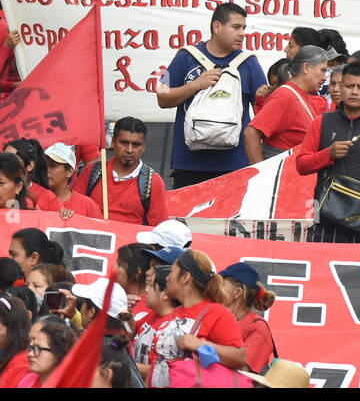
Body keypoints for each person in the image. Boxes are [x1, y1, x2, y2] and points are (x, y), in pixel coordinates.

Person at [293, 60, 360, 243]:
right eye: (349, 86)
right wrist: (327, 154)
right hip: (326, 219)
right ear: (340, 88)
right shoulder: (322, 122)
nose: (354, 92)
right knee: (325, 271)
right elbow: (301, 165)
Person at [156, 2, 265, 187]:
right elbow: (162, 97)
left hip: (235, 165)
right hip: (189, 165)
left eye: (244, 28)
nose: (242, 33)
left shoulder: (249, 62)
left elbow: (265, 111)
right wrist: (196, 85)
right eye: (236, 27)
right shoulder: (185, 56)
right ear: (217, 27)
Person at [149, 249, 247, 387]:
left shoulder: (217, 313)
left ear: (185, 278)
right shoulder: (176, 311)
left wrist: (200, 345)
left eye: (172, 272)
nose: (167, 278)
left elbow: (239, 357)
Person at [243, 44, 329, 162]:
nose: (325, 78)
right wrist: (260, 172)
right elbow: (251, 133)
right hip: (279, 174)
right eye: (323, 70)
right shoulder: (285, 96)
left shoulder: (302, 96)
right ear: (306, 68)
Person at [81, 117, 167, 225]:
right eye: (124, 143)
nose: (129, 150)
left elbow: (159, 228)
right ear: (113, 142)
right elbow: (73, 210)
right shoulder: (92, 172)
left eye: (136, 144)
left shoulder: (154, 182)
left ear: (144, 147)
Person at [219, 261, 277, 374]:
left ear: (238, 293)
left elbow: (243, 369)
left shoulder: (258, 327)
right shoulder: (216, 318)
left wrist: (204, 348)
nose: (216, 288)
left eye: (222, 284)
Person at [41, 142, 100, 217]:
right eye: (44, 165)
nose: (46, 170)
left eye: (53, 166)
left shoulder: (87, 205)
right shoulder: (34, 201)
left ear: (69, 171)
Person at [21, 315, 76, 387]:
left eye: (39, 349)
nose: (30, 354)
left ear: (58, 352)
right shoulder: (28, 381)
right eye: (32, 347)